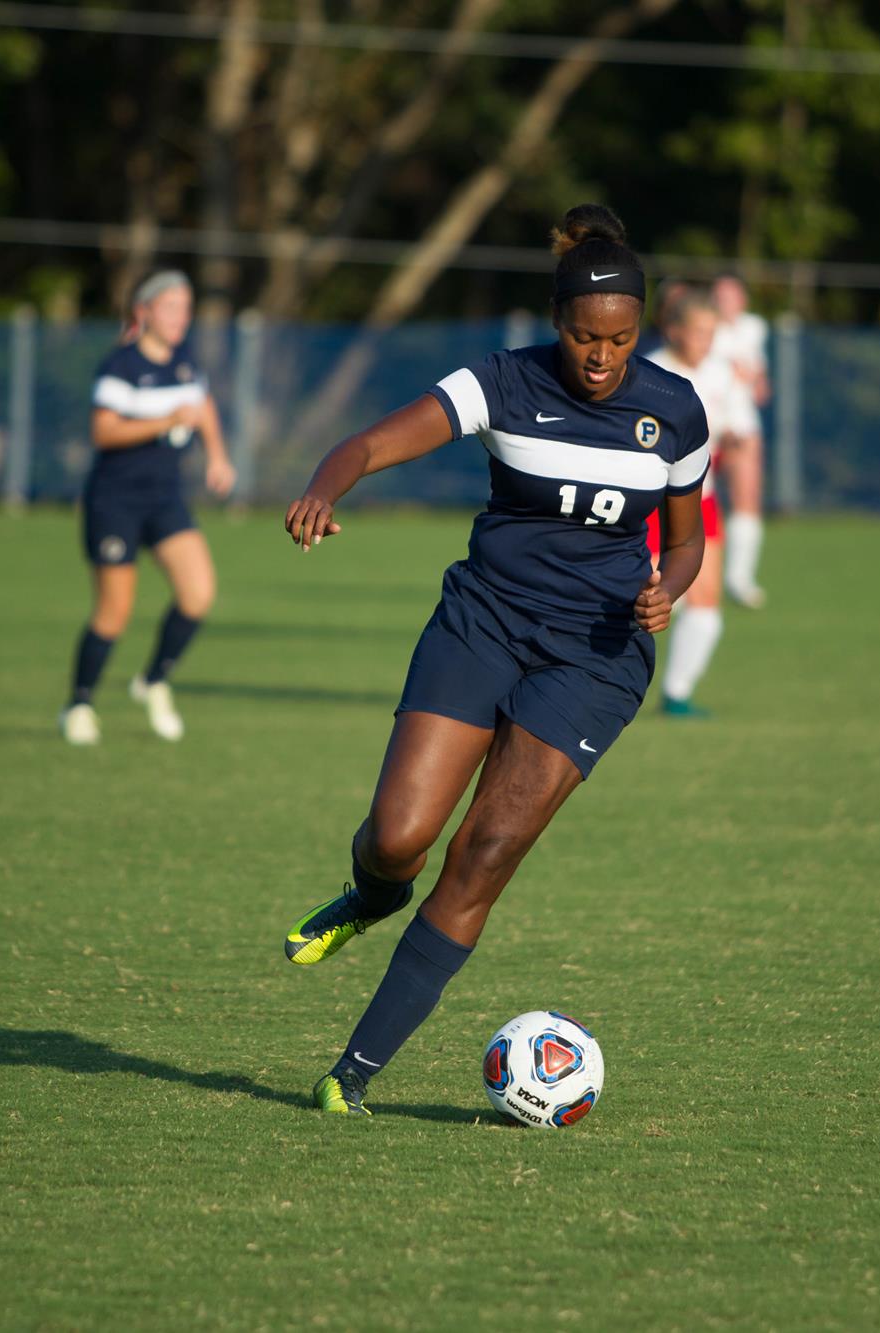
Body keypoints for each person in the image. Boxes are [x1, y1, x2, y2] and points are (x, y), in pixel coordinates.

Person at [277, 204, 710, 1115]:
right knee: (399, 837)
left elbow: (683, 538)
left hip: (594, 656)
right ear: (557, 324)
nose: (602, 357)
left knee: (486, 850)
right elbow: (371, 441)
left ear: (642, 329)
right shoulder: (500, 383)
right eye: (586, 337)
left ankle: (350, 1076)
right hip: (485, 622)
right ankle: (370, 892)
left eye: (621, 339)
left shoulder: (675, 410)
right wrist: (326, 484)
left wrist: (668, 586)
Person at [60, 270, 236, 745]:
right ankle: (79, 704)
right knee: (115, 612)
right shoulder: (120, 365)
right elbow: (104, 431)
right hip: (115, 502)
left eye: (187, 307)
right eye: (172, 307)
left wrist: (217, 456)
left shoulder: (184, 361)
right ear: (145, 312)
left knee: (198, 595)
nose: (182, 317)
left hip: (165, 499)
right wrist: (165, 420)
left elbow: (204, 407)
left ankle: (153, 680)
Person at [642, 282, 757, 718]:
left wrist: (733, 437)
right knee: (643, 595)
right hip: (650, 502)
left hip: (699, 500)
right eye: (697, 331)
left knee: (706, 600)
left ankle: (676, 693)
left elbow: (738, 429)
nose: (705, 341)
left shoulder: (721, 373)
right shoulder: (649, 373)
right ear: (673, 330)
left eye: (712, 332)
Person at [710, 274, 770, 608]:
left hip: (742, 425)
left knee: (746, 499)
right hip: (708, 425)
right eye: (719, 296)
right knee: (689, 499)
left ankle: (739, 578)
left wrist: (758, 382)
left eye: (731, 297)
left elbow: (758, 378)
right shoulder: (705, 330)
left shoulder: (753, 328)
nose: (724, 303)